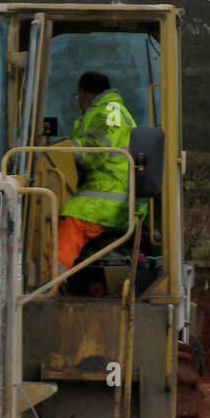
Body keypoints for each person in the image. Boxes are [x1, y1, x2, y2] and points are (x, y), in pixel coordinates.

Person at [55, 71, 147, 273]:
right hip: (108, 191)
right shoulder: (106, 111)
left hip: (110, 198)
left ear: (83, 93)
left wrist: (59, 151)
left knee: (72, 223)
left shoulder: (109, 113)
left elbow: (96, 151)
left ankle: (50, 281)